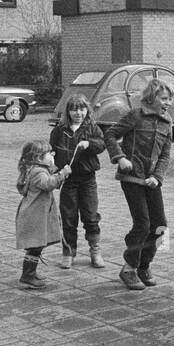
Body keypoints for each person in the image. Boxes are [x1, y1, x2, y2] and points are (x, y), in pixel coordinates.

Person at [105, 79, 174, 291]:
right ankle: (129, 267)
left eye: (170, 99)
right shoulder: (135, 115)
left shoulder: (167, 121)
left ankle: (144, 265)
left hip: (152, 181)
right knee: (143, 224)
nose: (168, 103)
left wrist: (158, 176)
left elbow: (165, 154)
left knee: (161, 227)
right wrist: (120, 157)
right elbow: (111, 134)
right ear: (151, 98)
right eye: (164, 98)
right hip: (132, 178)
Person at [49, 97, 107, 270]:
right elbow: (51, 151)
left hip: (88, 179)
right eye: (74, 110)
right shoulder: (59, 130)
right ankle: (68, 252)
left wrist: (89, 143)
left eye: (82, 109)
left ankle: (95, 251)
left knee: (90, 216)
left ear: (87, 110)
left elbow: (102, 144)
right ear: (68, 112)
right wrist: (52, 167)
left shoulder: (92, 128)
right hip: (68, 181)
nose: (78, 113)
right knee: (68, 218)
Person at [15, 139, 72, 289]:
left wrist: (57, 170)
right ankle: (27, 275)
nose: (52, 156)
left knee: (36, 245)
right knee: (35, 245)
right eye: (49, 154)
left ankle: (31, 272)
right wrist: (62, 174)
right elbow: (49, 184)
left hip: (35, 213)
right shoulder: (38, 172)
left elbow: (50, 174)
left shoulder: (35, 169)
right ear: (38, 158)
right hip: (35, 215)